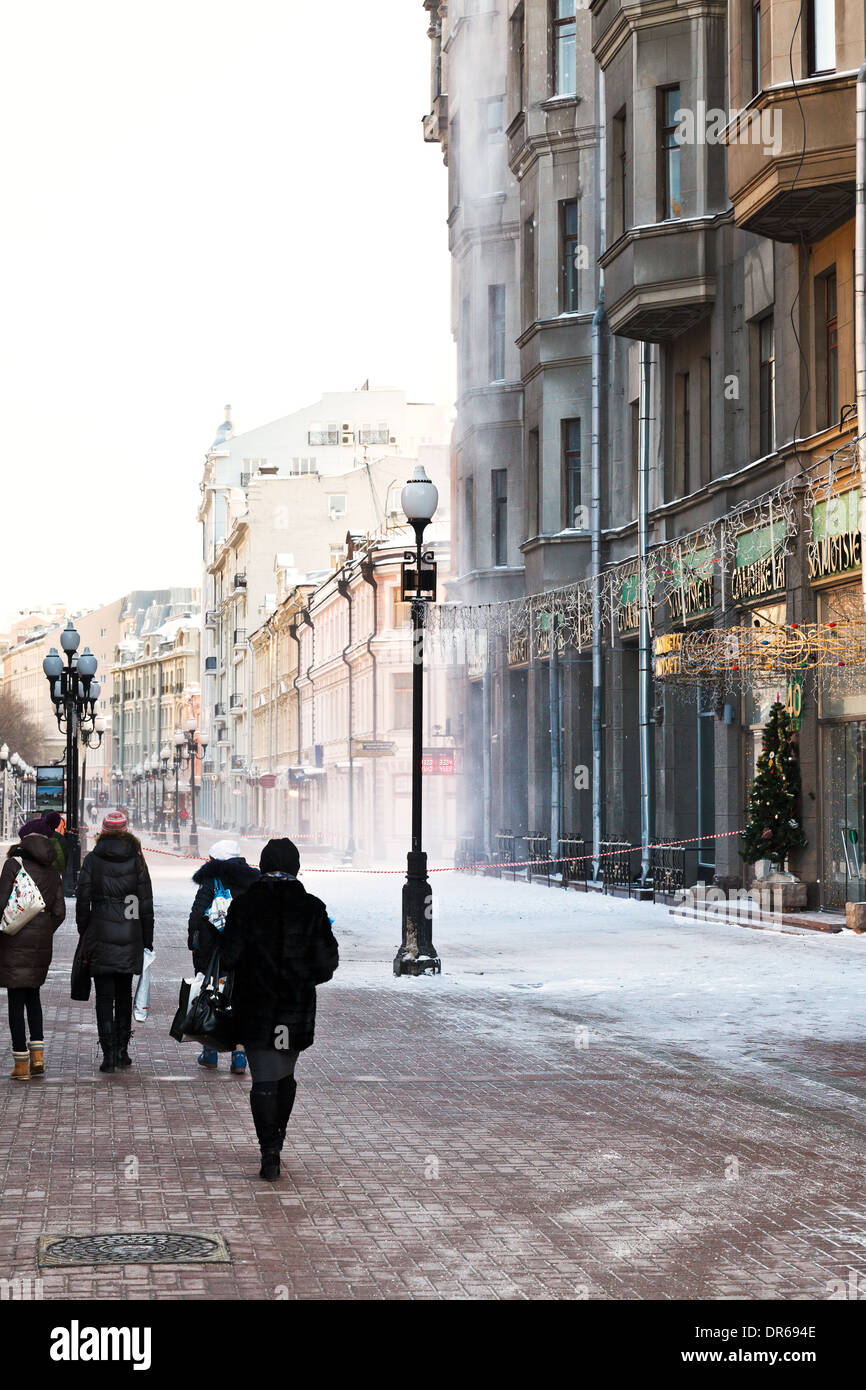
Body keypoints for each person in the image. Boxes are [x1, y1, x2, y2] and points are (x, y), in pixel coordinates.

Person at [219, 837, 338, 1181]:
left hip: (255, 1006)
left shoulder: (244, 905)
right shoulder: (312, 907)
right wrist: (302, 977)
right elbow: (327, 962)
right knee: (285, 1074)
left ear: (262, 866)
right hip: (294, 1009)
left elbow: (228, 957)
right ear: (295, 868)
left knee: (263, 1079)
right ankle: (277, 1141)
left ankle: (268, 1149)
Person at [75, 810, 154, 1074]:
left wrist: (84, 931)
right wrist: (147, 938)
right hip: (130, 933)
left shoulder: (93, 859)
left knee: (103, 998)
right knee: (123, 995)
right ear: (125, 830)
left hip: (99, 931)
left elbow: (82, 899)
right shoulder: (136, 859)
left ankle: (107, 1056)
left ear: (104, 830)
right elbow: (145, 904)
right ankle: (122, 1051)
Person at [0, 816, 66, 1080]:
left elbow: (0, 902)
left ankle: (21, 1065)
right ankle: (38, 1057)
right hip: (40, 944)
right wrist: (42, 931)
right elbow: (59, 912)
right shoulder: (52, 870)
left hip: (12, 940)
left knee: (16, 1000)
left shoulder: (13, 865)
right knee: (33, 997)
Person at [187, 838, 259, 1074]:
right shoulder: (254, 880)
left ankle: (210, 1052)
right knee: (241, 1000)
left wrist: (196, 948)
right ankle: (239, 1055)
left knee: (212, 997)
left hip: (215, 953)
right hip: (246, 952)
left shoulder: (211, 880)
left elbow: (197, 915)